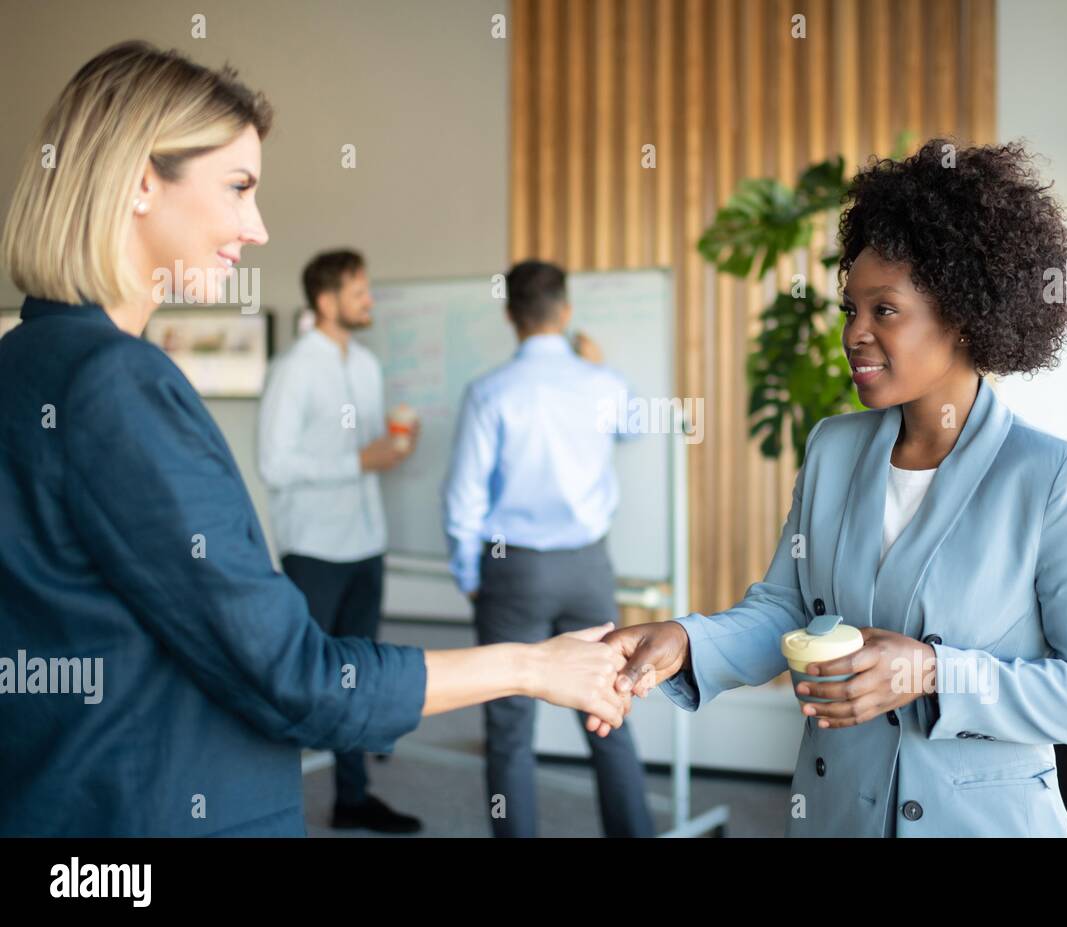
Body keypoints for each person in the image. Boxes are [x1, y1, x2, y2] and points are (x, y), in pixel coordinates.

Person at [0, 40, 629, 838]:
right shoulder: (116, 383)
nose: (256, 228)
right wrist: (533, 665)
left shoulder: (26, 358)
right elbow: (297, 676)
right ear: (138, 181)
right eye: (237, 188)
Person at [600, 139, 1067, 837]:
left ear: (962, 313)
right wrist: (686, 639)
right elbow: (789, 611)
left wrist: (932, 673)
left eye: (883, 310)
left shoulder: (1050, 479)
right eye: (848, 309)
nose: (854, 333)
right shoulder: (834, 447)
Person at [441, 260, 655, 837]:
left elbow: (462, 499)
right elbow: (636, 427)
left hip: (512, 568)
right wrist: (600, 367)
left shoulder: (488, 392)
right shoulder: (602, 385)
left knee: (509, 722)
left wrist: (470, 575)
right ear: (564, 311)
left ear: (510, 316)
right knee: (608, 709)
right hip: (587, 565)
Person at [258, 249, 422, 832]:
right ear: (326, 302)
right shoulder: (294, 368)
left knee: (357, 675)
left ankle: (352, 798)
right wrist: (360, 458)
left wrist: (398, 443)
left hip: (364, 544)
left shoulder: (368, 366)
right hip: (315, 550)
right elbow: (274, 463)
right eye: (359, 291)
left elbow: (371, 453)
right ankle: (262, 800)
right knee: (301, 678)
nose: (369, 299)